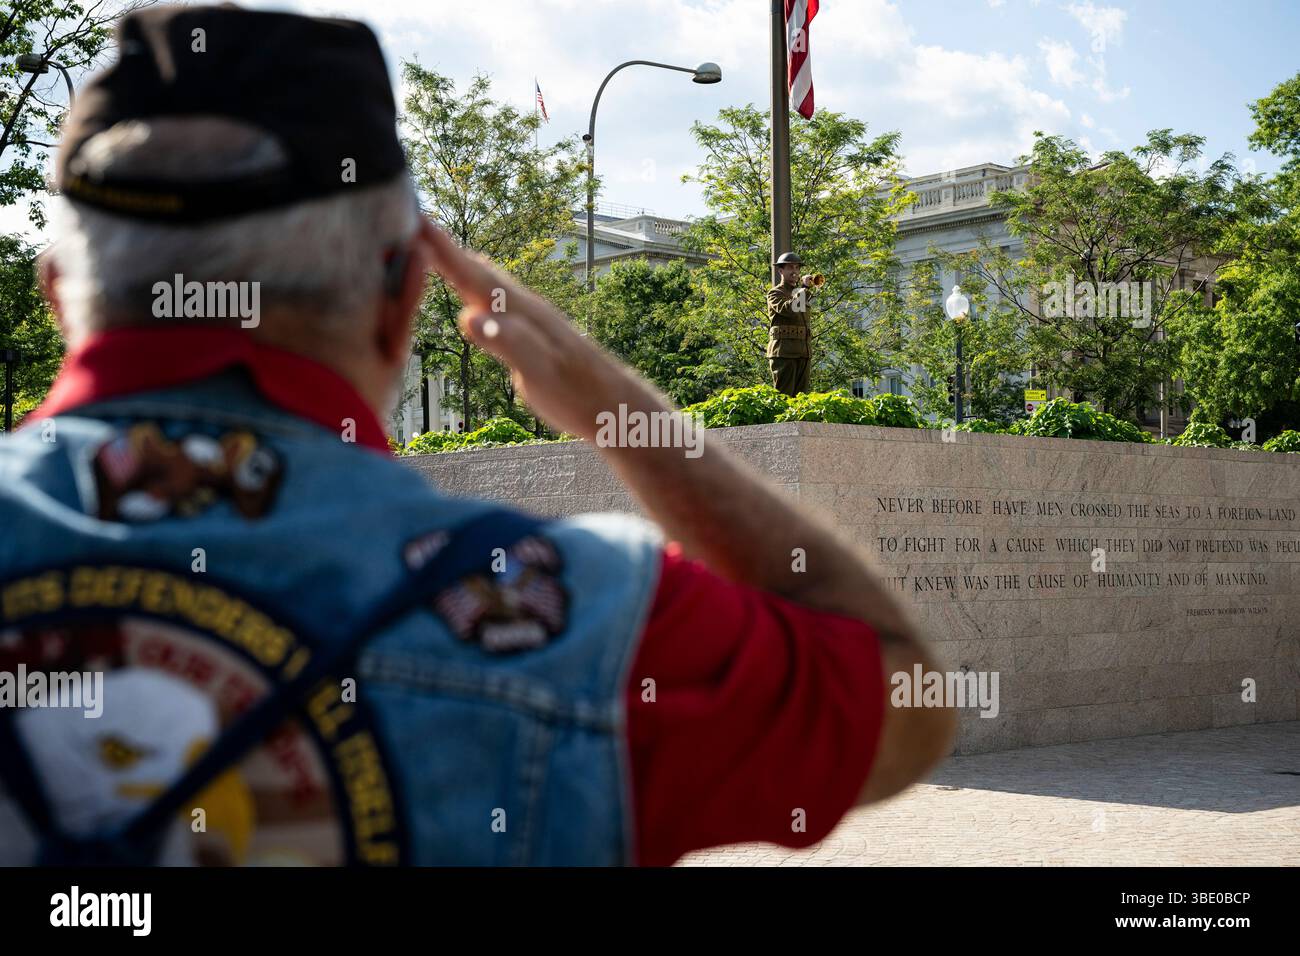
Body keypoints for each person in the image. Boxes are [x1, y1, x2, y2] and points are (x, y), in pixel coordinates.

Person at [0, 5, 954, 866]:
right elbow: (900, 701)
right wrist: (616, 406)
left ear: (55, 296)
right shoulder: (577, 618)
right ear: (405, 297)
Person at [766, 251, 816, 396]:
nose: (794, 271)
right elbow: (789, 310)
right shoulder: (775, 293)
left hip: (803, 352)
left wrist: (803, 290)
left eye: (797, 268)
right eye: (790, 268)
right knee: (784, 396)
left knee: (802, 398)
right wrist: (804, 289)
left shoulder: (800, 293)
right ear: (781, 271)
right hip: (784, 352)